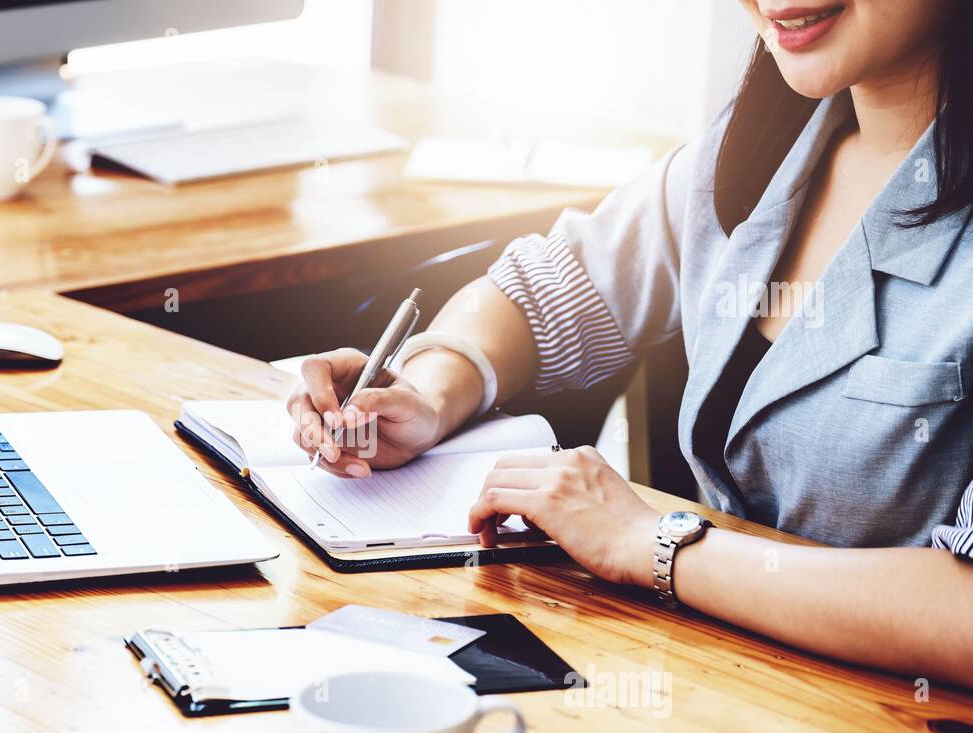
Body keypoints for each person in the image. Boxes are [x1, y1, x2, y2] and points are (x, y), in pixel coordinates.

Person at [287, 0, 973, 687]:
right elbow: (542, 289)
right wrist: (427, 390)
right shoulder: (767, 146)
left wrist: (651, 543)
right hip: (725, 692)